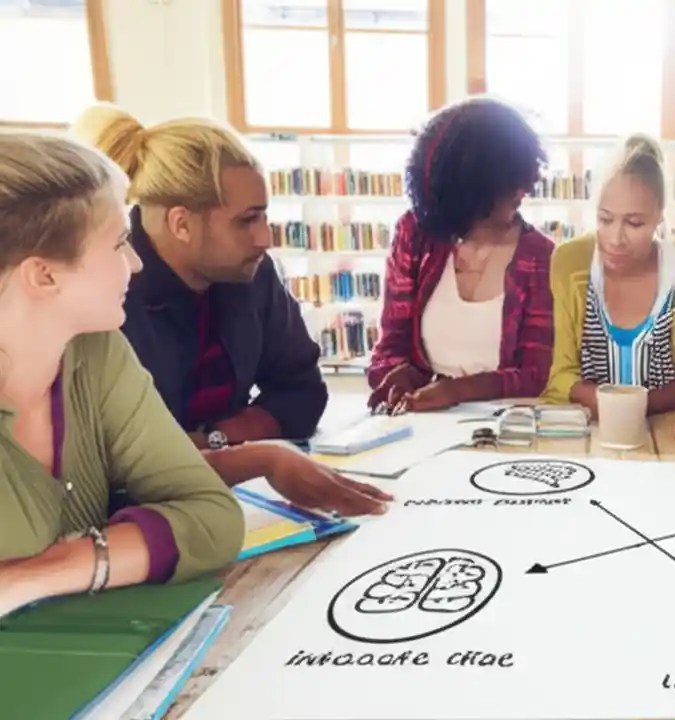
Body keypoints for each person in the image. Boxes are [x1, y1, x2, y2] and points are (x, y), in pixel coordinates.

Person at [73, 105, 391, 517]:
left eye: (265, 216)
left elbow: (302, 393)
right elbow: (113, 468)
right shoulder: (106, 289)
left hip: (232, 501)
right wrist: (253, 453)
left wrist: (214, 439)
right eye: (247, 221)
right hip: (127, 524)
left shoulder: (251, 274)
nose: (264, 238)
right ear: (181, 224)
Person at [0, 134, 243, 618]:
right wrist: (125, 550)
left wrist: (37, 575)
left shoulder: (97, 350)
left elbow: (214, 519)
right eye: (119, 243)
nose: (135, 263)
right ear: (44, 275)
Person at [367, 98, 555, 413]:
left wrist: (457, 390)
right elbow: (388, 349)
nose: (522, 191)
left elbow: (535, 375)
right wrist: (398, 377)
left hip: (506, 429)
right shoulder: (414, 236)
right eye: (508, 182)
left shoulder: (541, 257)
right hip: (420, 425)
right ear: (470, 190)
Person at [541, 134, 675, 417]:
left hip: (670, 434)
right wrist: (610, 408)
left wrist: (634, 408)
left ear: (658, 217)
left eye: (634, 223)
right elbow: (559, 375)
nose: (616, 238)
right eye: (605, 219)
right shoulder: (570, 262)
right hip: (587, 432)